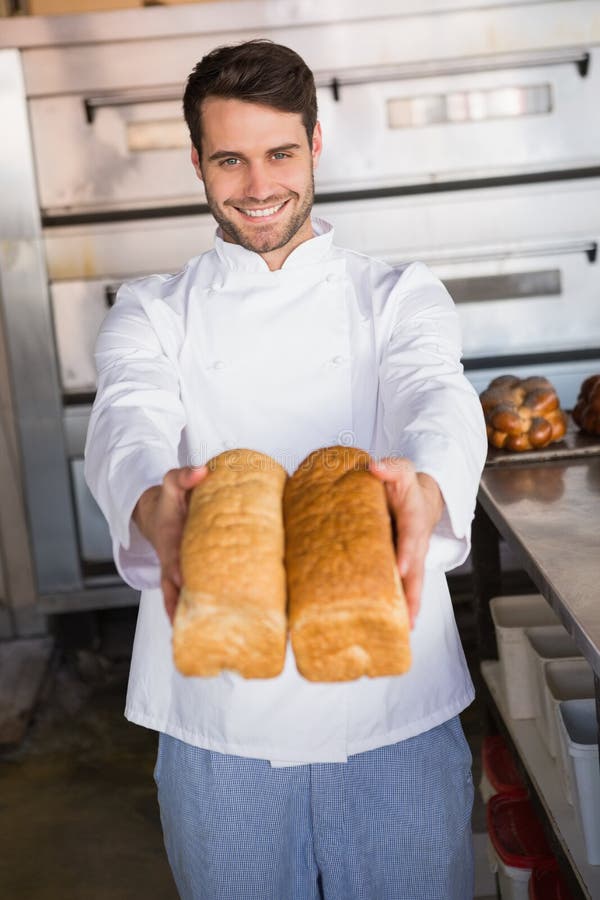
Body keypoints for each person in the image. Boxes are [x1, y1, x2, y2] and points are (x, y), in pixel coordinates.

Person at [84, 39, 487, 900]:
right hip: (218, 721)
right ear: (197, 161)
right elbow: (127, 416)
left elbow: (435, 395)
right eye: (229, 159)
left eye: (280, 154)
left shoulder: (399, 294)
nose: (258, 185)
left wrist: (428, 484)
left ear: (315, 145)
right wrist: (157, 501)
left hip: (394, 708)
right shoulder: (152, 313)